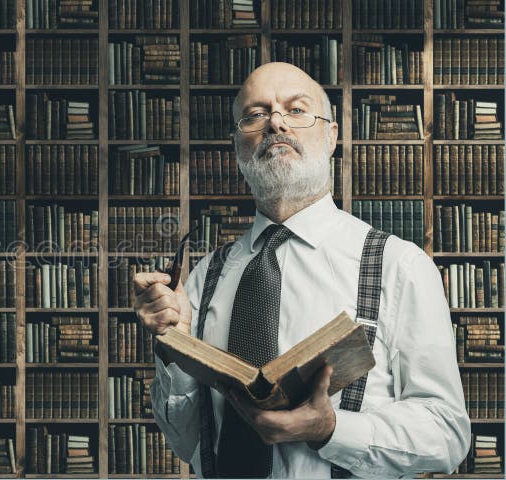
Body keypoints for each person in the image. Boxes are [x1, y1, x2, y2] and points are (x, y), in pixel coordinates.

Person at [133, 62, 471, 478]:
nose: (276, 122)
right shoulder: (206, 275)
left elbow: (448, 434)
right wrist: (176, 347)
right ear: (238, 147)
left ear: (331, 135)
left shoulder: (398, 266)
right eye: (255, 114)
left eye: (296, 110)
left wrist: (332, 429)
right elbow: (187, 443)